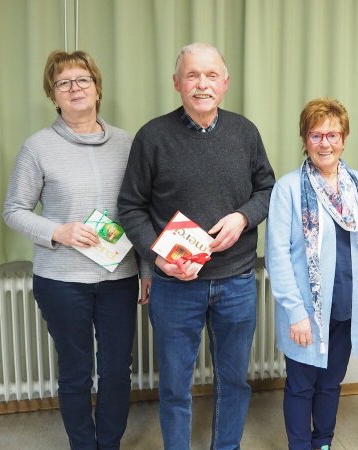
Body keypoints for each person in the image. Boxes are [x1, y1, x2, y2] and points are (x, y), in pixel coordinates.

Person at [116, 42, 275, 450]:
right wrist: (159, 258)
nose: (201, 84)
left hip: (237, 281)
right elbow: (131, 207)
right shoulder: (152, 137)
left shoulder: (245, 132)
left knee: (234, 382)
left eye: (210, 76)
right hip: (174, 285)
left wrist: (243, 217)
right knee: (174, 386)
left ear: (225, 83)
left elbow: (267, 189)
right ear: (176, 83)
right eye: (192, 75)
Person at [3, 50, 146, 450]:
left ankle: (110, 444)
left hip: (119, 278)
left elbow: (141, 210)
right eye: (63, 83)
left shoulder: (127, 143)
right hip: (62, 281)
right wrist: (58, 231)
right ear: (54, 96)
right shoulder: (38, 147)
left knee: (118, 370)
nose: (74, 88)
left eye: (82, 80)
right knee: (76, 371)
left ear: (98, 89)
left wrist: (147, 270)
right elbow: (13, 210)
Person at [265, 98, 358, 450]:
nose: (325, 143)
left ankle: (324, 443)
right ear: (304, 139)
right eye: (316, 135)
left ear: (345, 138)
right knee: (301, 386)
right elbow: (277, 255)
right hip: (306, 311)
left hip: (348, 307)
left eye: (333, 134)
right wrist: (295, 312)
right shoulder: (288, 188)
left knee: (331, 384)